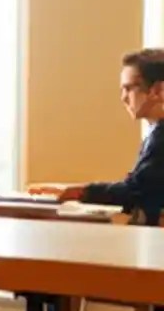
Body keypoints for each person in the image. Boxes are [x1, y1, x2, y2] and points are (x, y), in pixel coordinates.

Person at [56, 48, 164, 224]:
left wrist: (83, 192)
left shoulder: (161, 138)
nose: (123, 98)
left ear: (158, 90)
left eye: (128, 88)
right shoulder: (156, 132)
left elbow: (137, 192)